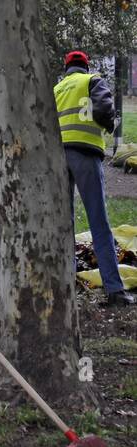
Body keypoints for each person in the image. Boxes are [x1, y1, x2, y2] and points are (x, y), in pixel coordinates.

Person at [55, 50, 133, 306]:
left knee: (64, 224)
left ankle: (65, 285)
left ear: (66, 68)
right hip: (86, 154)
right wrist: (109, 124)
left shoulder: (57, 89)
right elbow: (103, 108)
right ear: (85, 66)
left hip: (58, 157)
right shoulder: (92, 81)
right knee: (99, 223)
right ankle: (114, 290)